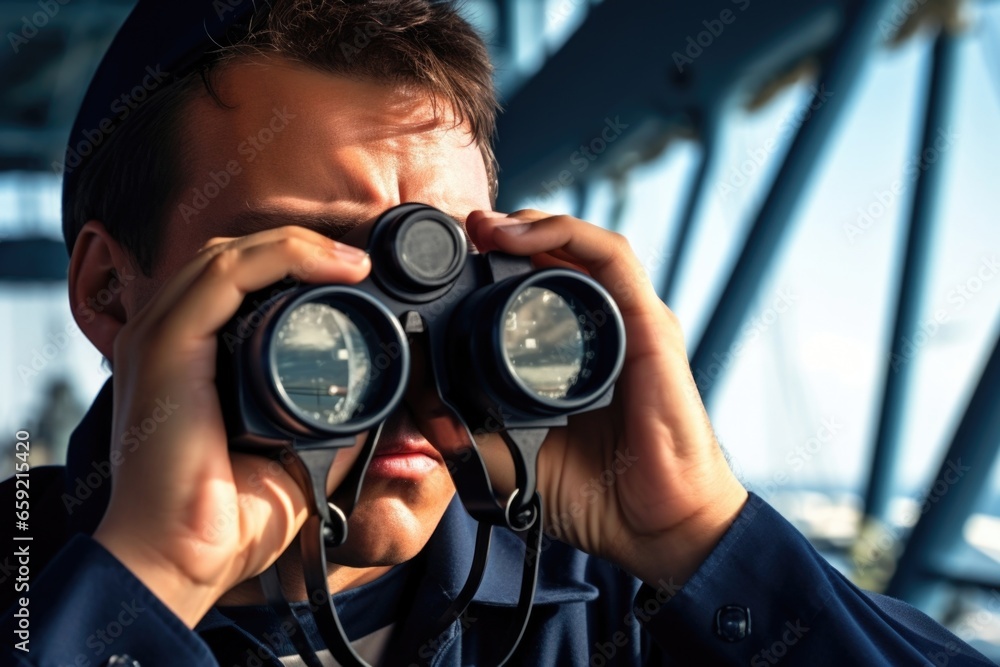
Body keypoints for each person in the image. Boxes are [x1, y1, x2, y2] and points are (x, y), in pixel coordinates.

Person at [2, 1, 994, 665]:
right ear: (109, 290)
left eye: (452, 275)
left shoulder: (610, 593)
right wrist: (145, 584)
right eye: (310, 274)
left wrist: (704, 541)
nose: (410, 348)